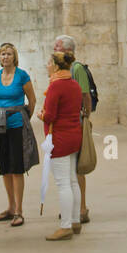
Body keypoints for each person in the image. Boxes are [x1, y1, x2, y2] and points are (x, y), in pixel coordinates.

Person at [37, 50, 83, 241]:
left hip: (60, 139)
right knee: (72, 180)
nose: (47, 65)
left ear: (56, 65)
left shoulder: (56, 86)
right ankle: (75, 220)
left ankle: (65, 227)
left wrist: (41, 115)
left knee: (63, 183)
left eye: (49, 62)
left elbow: (50, 116)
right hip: (74, 136)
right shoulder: (74, 84)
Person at [0, 42, 36, 227]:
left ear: (14, 56)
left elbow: (32, 99)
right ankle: (10, 207)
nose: (5, 57)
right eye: (2, 54)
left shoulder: (22, 75)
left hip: (17, 125)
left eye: (8, 54)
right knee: (5, 168)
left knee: (17, 168)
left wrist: (25, 118)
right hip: (1, 126)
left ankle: (19, 211)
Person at [54, 34, 92, 223]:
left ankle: (82, 208)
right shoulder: (64, 70)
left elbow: (85, 96)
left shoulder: (77, 69)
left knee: (78, 168)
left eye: (58, 46)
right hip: (70, 123)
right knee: (71, 170)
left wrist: (85, 118)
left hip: (76, 123)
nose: (55, 49)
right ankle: (74, 209)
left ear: (68, 50)